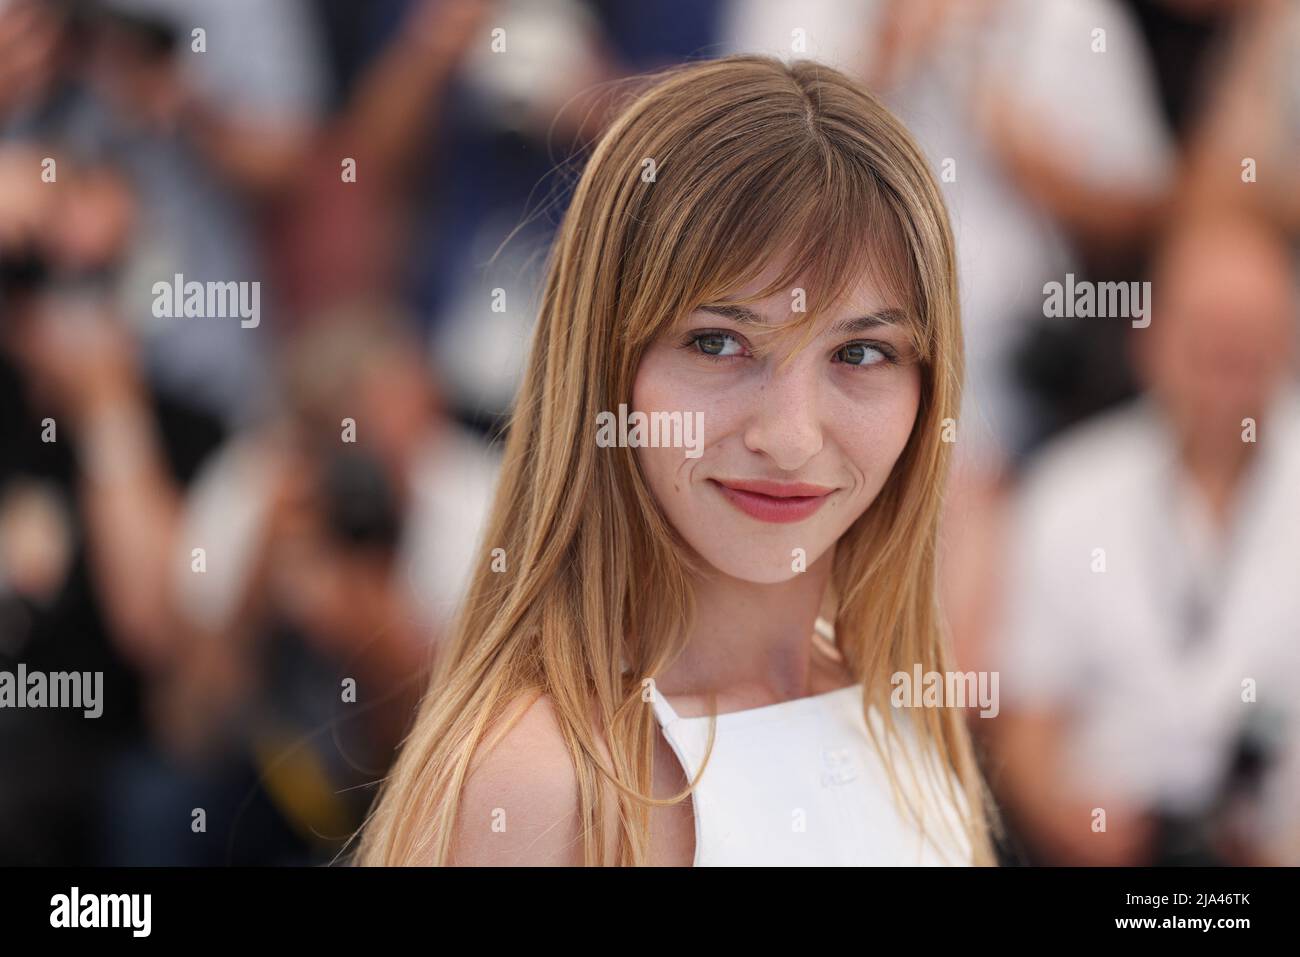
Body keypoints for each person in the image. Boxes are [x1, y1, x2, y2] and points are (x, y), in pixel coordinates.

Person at [355, 54, 999, 866]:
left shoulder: (896, 701)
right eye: (719, 342)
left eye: (862, 353)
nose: (791, 435)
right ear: (603, 369)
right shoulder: (543, 781)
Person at [989, 210, 1300, 865]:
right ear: (1149, 338)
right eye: (1206, 333)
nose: (1228, 356)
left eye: (1250, 335)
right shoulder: (1069, 492)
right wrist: (1070, 818)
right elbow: (1029, 716)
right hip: (1110, 849)